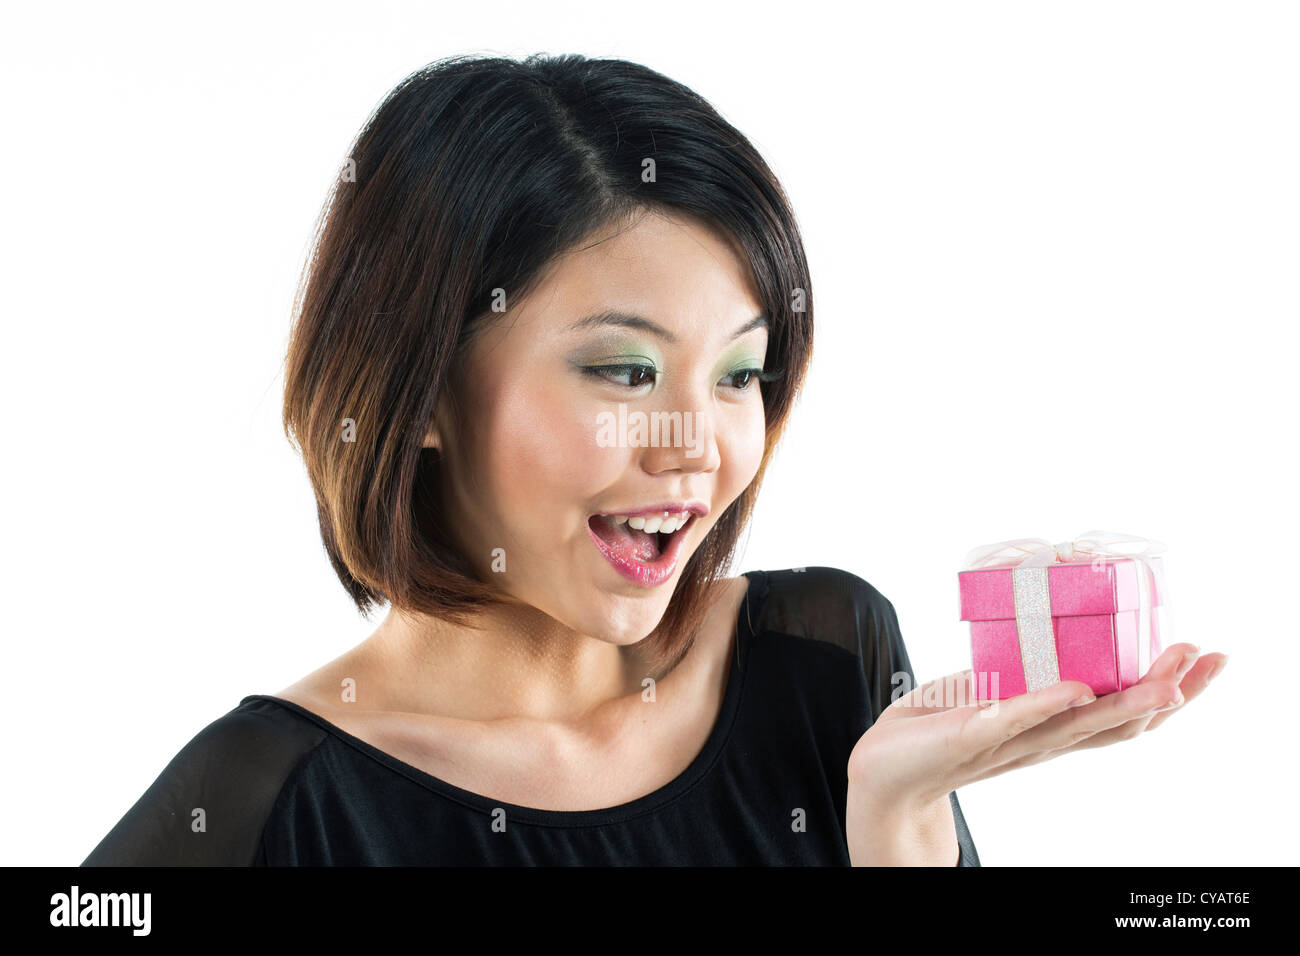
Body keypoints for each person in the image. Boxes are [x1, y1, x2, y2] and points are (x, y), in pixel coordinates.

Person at [82, 52, 1225, 867]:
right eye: (623, 371)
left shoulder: (823, 664)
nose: (698, 446)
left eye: (738, 374)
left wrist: (897, 815)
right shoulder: (267, 804)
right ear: (421, 387)